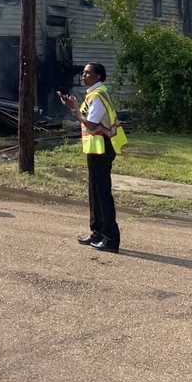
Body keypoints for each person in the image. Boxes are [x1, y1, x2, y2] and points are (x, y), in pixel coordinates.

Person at [59, 62, 127, 253]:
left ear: (98, 76)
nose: (83, 75)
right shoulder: (93, 94)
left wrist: (74, 110)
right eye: (83, 73)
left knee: (102, 193)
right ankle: (97, 232)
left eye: (88, 73)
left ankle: (110, 239)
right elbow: (86, 117)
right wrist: (71, 105)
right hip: (96, 148)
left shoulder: (98, 95)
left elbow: (90, 123)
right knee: (94, 191)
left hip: (103, 148)